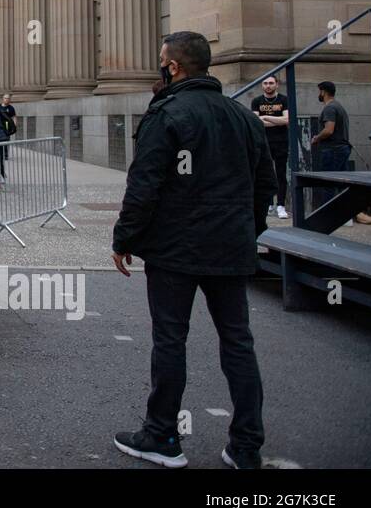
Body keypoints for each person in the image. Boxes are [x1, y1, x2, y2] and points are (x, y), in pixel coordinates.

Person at [111, 31, 274, 470]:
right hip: (229, 245)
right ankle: (246, 447)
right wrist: (247, 229)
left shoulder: (166, 114)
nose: (160, 66)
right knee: (238, 342)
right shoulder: (242, 116)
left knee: (170, 339)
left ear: (174, 67)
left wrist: (124, 238)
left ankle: (162, 434)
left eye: (163, 61)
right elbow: (265, 185)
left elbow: (143, 185)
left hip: (175, 248)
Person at [251, 75, 290, 218]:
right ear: (262, 85)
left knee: (280, 174)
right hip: (264, 142)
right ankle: (268, 204)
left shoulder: (284, 100)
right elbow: (256, 122)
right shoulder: (257, 101)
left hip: (281, 142)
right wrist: (277, 120)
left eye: (271, 83)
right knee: (264, 174)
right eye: (265, 83)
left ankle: (280, 205)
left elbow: (287, 120)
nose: (268, 86)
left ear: (277, 85)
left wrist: (266, 117)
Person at [309, 80, 352, 209]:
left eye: (319, 91)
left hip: (333, 150)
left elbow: (328, 130)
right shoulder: (339, 107)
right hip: (342, 148)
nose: (319, 94)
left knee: (329, 184)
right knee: (342, 183)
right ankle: (345, 213)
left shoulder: (330, 108)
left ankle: (328, 213)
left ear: (323, 92)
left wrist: (317, 138)